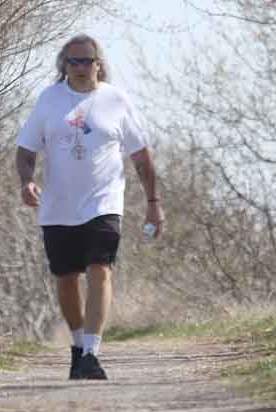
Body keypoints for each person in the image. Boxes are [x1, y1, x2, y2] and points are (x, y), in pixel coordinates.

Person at [15, 34, 164, 380]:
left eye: (87, 61)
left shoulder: (116, 100)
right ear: (64, 66)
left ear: (99, 63)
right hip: (57, 207)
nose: (81, 68)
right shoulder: (49, 100)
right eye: (74, 61)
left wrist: (154, 204)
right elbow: (25, 150)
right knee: (66, 279)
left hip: (104, 203)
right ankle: (78, 345)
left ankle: (92, 355)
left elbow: (142, 157)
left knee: (101, 269)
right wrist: (26, 181)